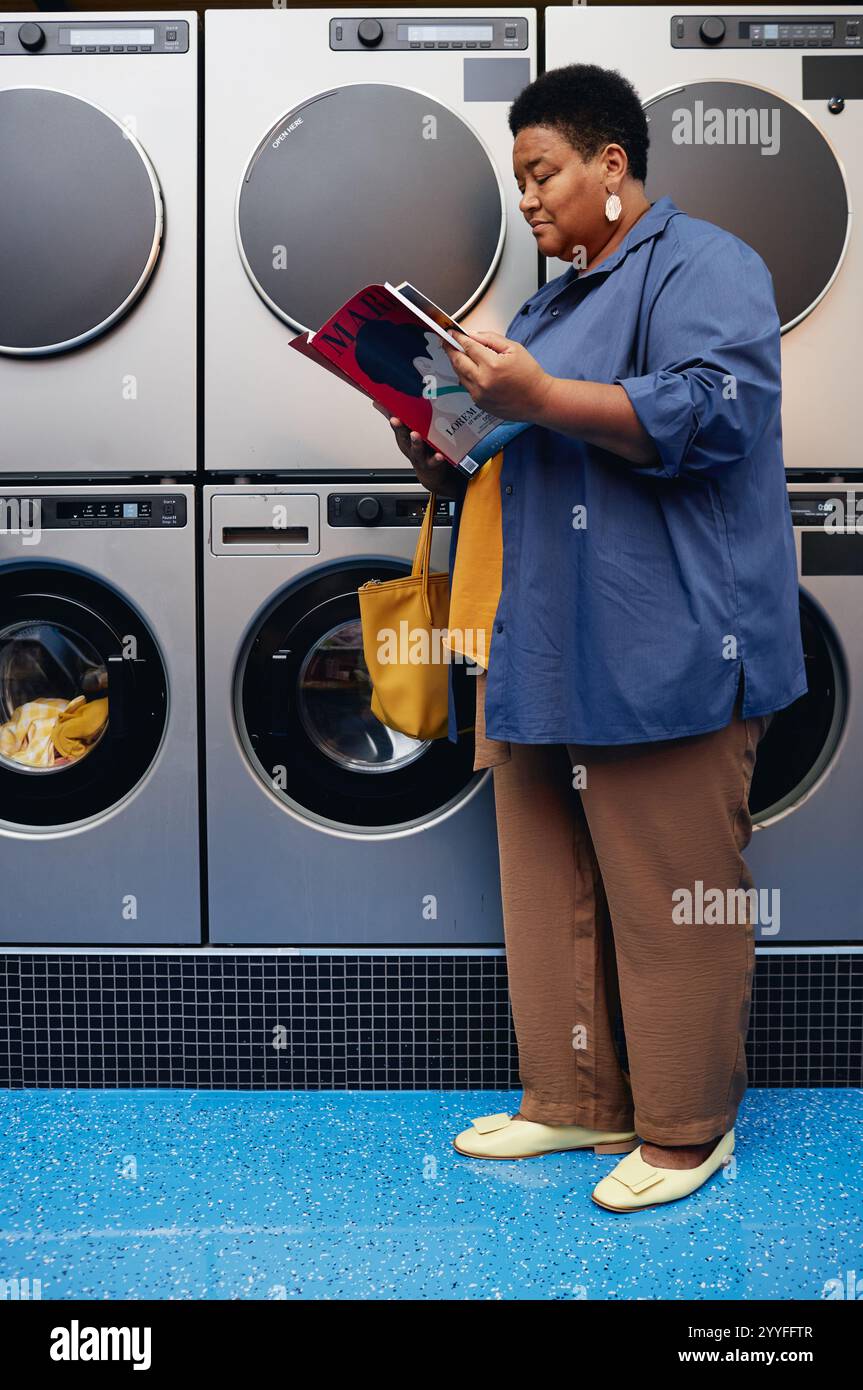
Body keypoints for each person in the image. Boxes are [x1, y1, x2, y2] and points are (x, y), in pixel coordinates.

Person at [376, 63, 806, 1212]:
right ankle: (574, 1097)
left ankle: (682, 1128)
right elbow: (492, 445)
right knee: (547, 880)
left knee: (671, 894)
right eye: (518, 180)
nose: (527, 200)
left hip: (668, 640)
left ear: (612, 166)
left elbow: (719, 408)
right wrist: (431, 432)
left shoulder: (704, 264)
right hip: (546, 642)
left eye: (542, 172)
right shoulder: (555, 306)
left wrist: (538, 398)